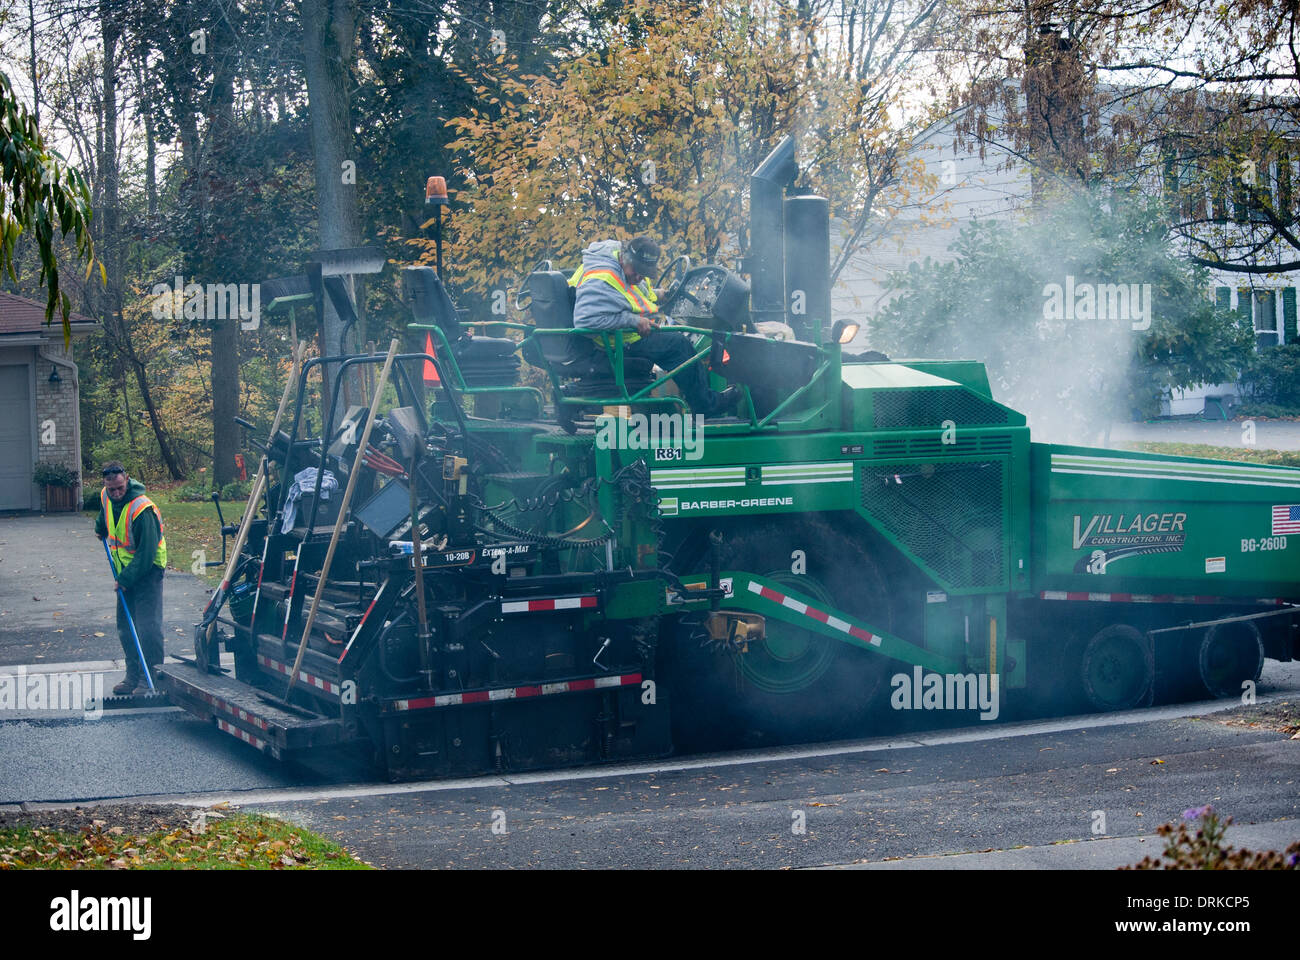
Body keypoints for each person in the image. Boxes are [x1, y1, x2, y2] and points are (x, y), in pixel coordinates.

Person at [570, 236, 741, 416]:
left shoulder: (614, 263)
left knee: (674, 339)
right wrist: (633, 321)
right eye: (636, 271)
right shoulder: (602, 278)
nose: (638, 277)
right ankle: (706, 405)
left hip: (619, 336)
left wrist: (662, 294)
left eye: (643, 273)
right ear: (624, 258)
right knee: (679, 345)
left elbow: (626, 293)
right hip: (613, 343)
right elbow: (585, 320)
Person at [94, 462, 168, 695]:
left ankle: (152, 678)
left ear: (127, 479)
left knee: (147, 627)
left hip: (148, 572)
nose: (116, 494)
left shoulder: (142, 510)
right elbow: (104, 515)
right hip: (125, 572)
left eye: (120, 488)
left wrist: (125, 579)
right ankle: (133, 676)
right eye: (111, 489)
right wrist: (99, 527)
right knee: (126, 628)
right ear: (105, 484)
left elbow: (146, 555)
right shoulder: (106, 497)